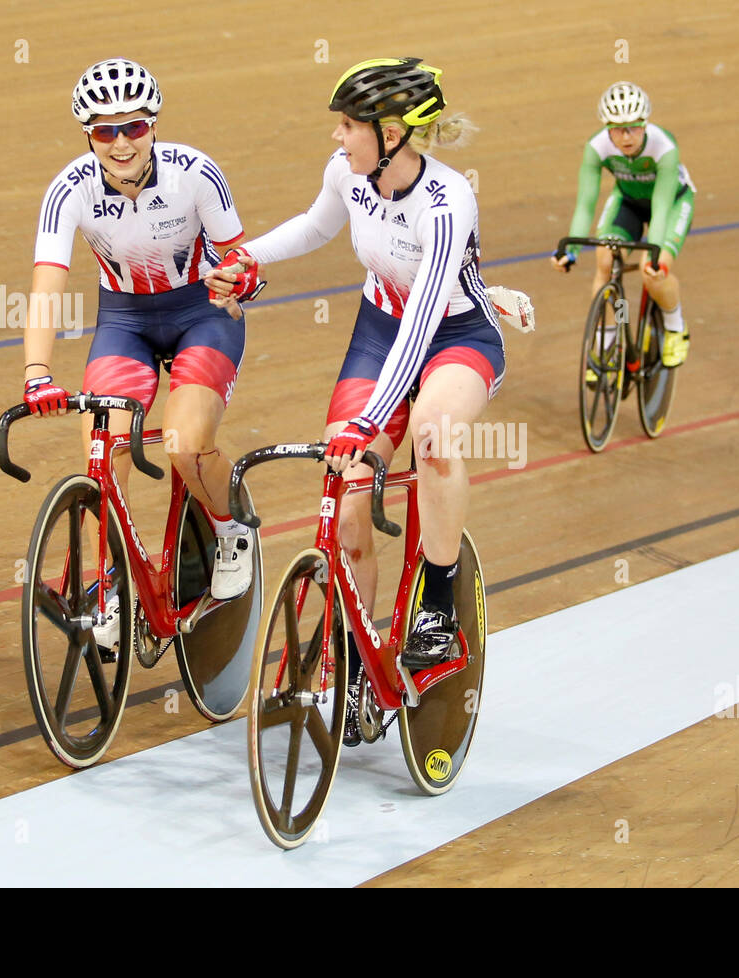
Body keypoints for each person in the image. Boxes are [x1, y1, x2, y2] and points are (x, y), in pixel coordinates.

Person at [206, 57, 516, 744]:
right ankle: (355, 658)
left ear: (396, 133)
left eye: (349, 126)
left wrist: (376, 420)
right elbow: (317, 227)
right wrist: (249, 257)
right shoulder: (347, 174)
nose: (339, 138)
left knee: (433, 433)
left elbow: (425, 317)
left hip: (454, 335)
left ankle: (436, 602)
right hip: (379, 334)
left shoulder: (448, 199)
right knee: (346, 502)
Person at [22, 58, 263, 651]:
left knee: (183, 441)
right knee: (103, 452)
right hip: (125, 321)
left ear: (153, 125)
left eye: (134, 126)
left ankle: (231, 531)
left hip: (201, 313)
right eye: (107, 130)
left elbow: (241, 259)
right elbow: (46, 284)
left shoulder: (196, 174)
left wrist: (241, 283)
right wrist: (36, 373)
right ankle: (109, 577)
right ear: (88, 136)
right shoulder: (68, 190)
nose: (122, 141)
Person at [551, 81, 697, 368]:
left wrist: (654, 256)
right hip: (628, 200)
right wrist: (571, 250)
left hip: (672, 203)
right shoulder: (596, 148)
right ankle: (606, 341)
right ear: (606, 128)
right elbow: (585, 204)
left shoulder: (664, 147)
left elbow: (661, 207)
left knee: (651, 271)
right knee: (605, 259)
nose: (626, 136)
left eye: (633, 127)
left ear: (645, 123)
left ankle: (675, 327)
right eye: (617, 129)